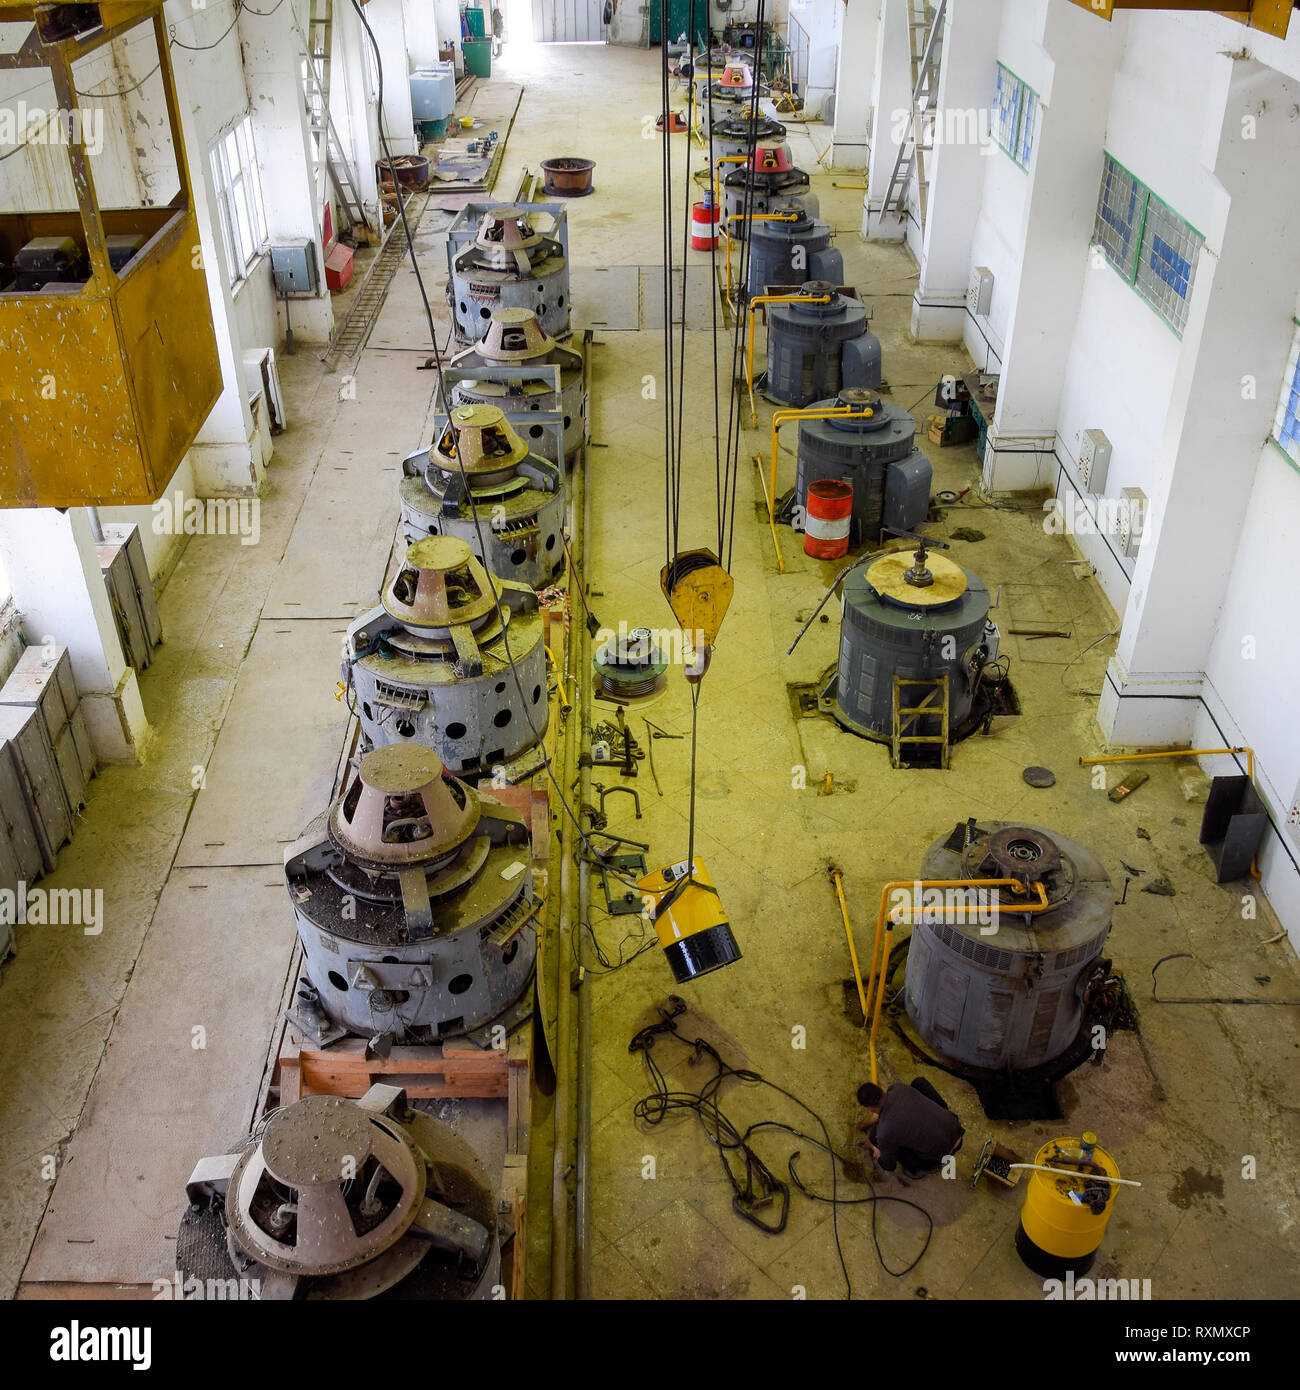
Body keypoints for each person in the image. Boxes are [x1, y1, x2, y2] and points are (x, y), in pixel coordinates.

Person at [857, 1077, 964, 1178]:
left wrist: (872, 1146)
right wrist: (870, 1122)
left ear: (869, 1109)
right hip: (954, 1127)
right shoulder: (898, 1088)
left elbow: (889, 1166)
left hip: (942, 1152)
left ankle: (929, 1166)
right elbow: (892, 1109)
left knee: (876, 1139)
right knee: (918, 1083)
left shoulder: (884, 1132)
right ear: (880, 1088)